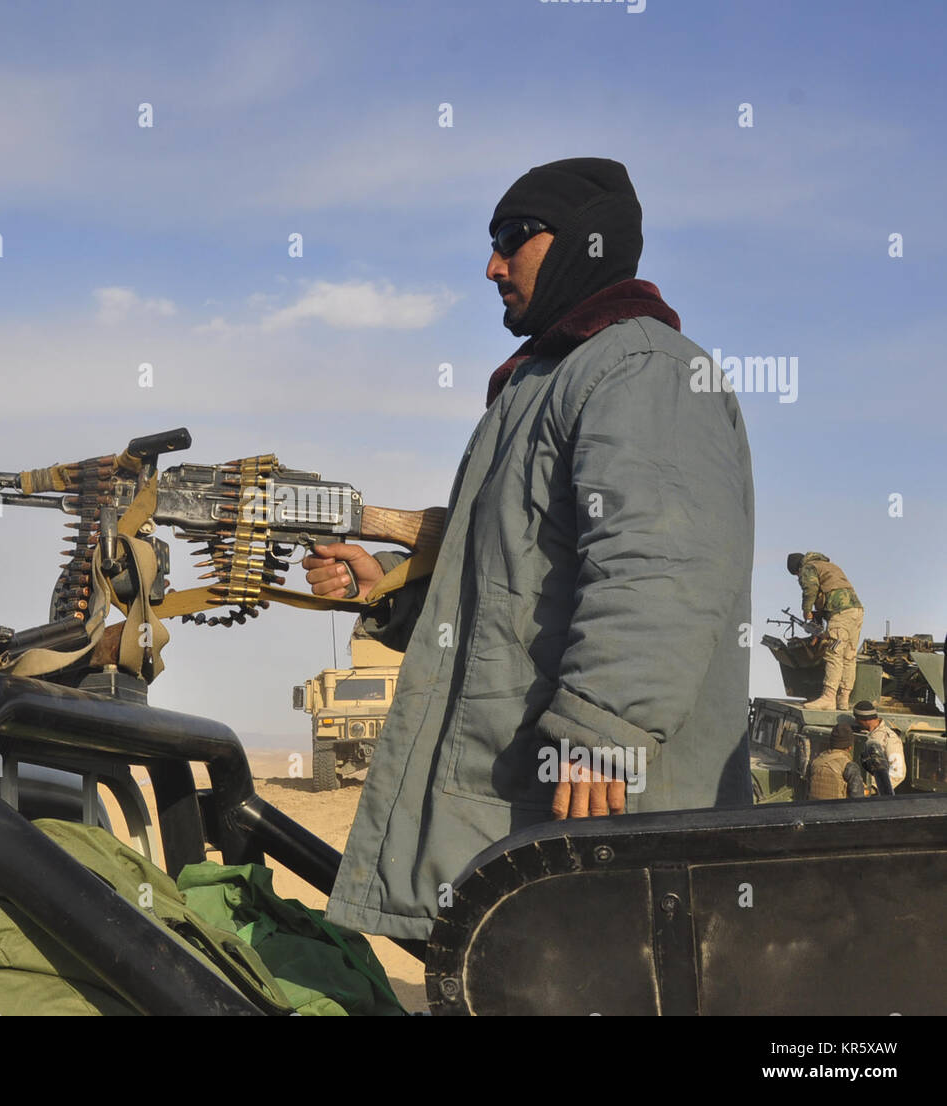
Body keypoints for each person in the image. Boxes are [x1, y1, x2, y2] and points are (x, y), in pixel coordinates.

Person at [303, 157, 755, 940]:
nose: (492, 265)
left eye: (514, 237)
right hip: (530, 819)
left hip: (605, 820)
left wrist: (604, 730)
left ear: (584, 241)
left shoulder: (643, 370)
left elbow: (661, 569)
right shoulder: (544, 382)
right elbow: (509, 597)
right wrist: (388, 590)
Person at [786, 552, 864, 711]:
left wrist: (807, 610)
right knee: (849, 656)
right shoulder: (828, 566)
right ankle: (843, 699)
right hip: (856, 612)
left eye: (796, 574)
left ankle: (828, 698)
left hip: (840, 614)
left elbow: (810, 589)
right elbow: (832, 592)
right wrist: (820, 614)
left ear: (797, 569)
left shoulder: (808, 568)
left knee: (833, 653)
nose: (798, 576)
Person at [852, 699, 905, 791]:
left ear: (865, 719)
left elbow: (897, 773)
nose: (856, 721)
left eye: (858, 719)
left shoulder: (889, 738)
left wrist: (873, 788)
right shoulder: (862, 733)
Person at [805, 723, 866, 799]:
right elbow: (858, 799)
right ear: (850, 747)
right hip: (837, 810)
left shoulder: (816, 761)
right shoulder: (848, 766)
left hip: (814, 808)